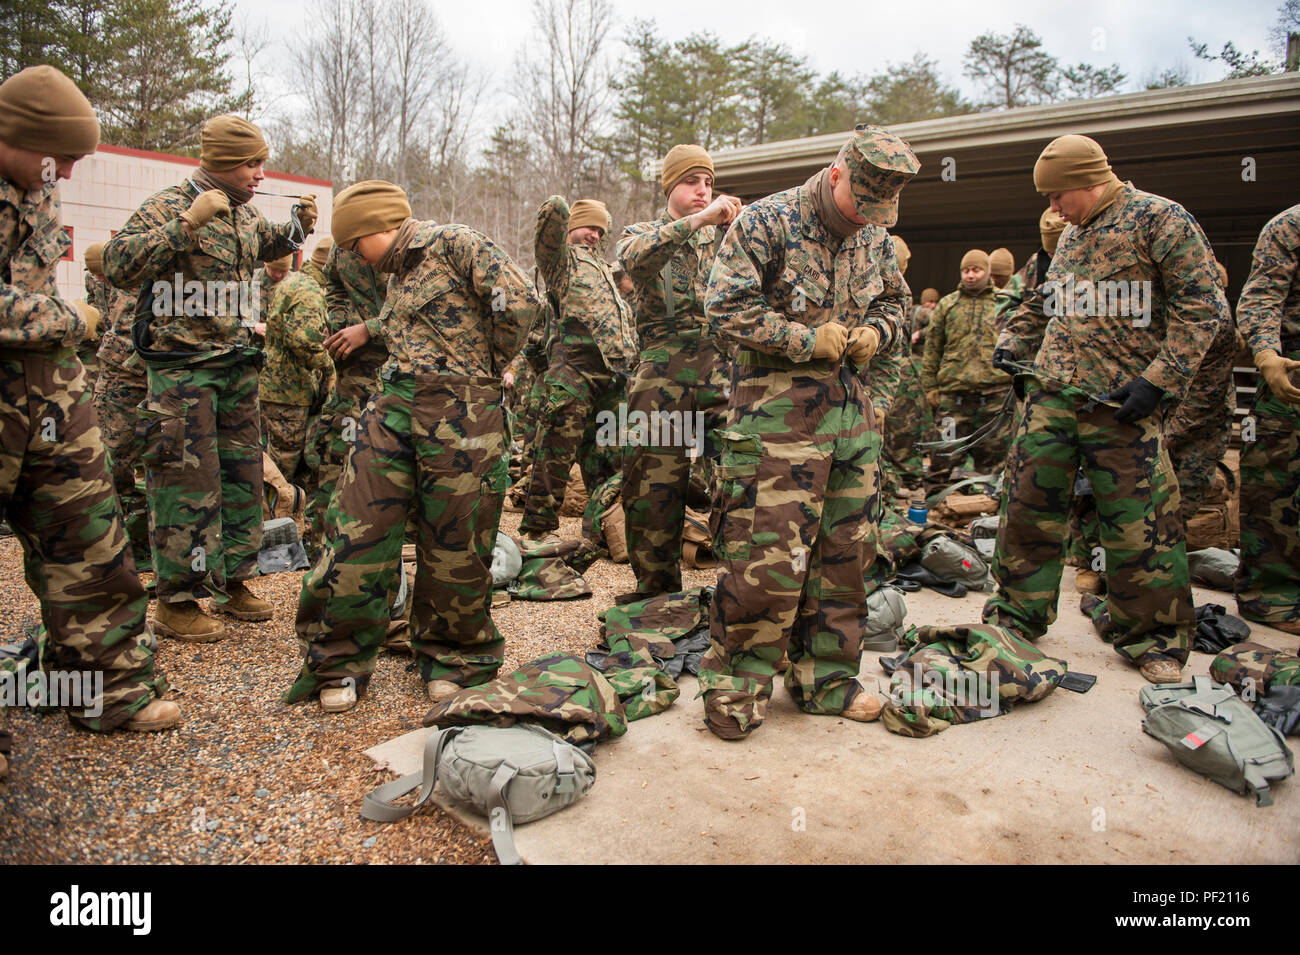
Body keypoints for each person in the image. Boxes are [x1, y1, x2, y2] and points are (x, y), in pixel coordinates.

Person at [285, 181, 541, 713]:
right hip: (394, 399)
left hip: (463, 409)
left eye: (356, 242)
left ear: (378, 226)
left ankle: (453, 657)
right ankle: (339, 659)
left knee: (456, 538)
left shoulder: (454, 243)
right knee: (356, 528)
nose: (354, 255)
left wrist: (488, 367)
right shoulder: (394, 270)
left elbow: (519, 304)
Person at [698, 123, 917, 740]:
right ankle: (739, 686)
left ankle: (828, 679)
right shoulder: (766, 222)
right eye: (859, 205)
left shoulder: (873, 234)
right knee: (765, 555)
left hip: (849, 418)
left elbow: (895, 303)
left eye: (879, 213)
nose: (865, 220)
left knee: (845, 556)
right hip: (774, 417)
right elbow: (724, 307)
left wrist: (880, 332)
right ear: (837, 173)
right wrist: (802, 339)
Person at [985, 134, 1226, 683]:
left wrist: (1159, 380)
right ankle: (1015, 619)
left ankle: (1154, 640)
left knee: (1140, 526)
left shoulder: (1160, 220)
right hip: (1052, 393)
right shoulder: (1069, 235)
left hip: (1119, 404)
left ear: (1087, 182)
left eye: (1056, 196)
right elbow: (1042, 302)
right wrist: (1014, 343)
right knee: (1026, 508)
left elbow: (1203, 306)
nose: (1051, 208)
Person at [0, 66, 179, 775]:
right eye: (60, 156)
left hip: (49, 398)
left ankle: (108, 689)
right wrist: (71, 316)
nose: (69, 171)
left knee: (91, 542)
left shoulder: (36, 191)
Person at [104, 114, 316, 641]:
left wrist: (297, 226)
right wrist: (187, 226)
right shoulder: (172, 206)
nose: (260, 174)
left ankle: (233, 580)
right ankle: (177, 598)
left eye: (263, 162)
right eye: (251, 163)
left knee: (241, 481)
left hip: (235, 367)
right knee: (184, 484)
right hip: (181, 372)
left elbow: (270, 243)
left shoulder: (245, 216)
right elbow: (117, 263)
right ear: (221, 162)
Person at [616, 144, 738, 598]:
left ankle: (745, 588)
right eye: (692, 181)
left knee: (743, 469)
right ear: (670, 186)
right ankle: (656, 590)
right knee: (652, 481)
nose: (703, 191)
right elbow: (633, 261)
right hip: (661, 367)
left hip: (721, 364)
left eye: (708, 182)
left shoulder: (732, 235)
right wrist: (700, 221)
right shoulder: (644, 232)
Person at [518, 195, 638, 543]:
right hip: (573, 370)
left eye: (601, 230)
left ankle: (603, 530)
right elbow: (549, 224)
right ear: (571, 227)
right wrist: (562, 209)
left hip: (611, 376)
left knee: (610, 460)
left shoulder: (604, 269)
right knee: (554, 454)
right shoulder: (561, 261)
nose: (595, 235)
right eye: (589, 227)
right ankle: (537, 532)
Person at [1235, 203, 1300, 635]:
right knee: (1276, 490)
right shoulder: (1290, 225)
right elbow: (1261, 297)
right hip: (1291, 375)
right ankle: (1272, 597)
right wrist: (1266, 354)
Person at [922, 249, 1011, 482]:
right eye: (966, 270)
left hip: (994, 398)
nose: (970, 275)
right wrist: (930, 387)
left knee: (993, 462)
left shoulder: (1005, 303)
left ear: (987, 272)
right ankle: (938, 506)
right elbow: (932, 348)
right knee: (944, 455)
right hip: (954, 399)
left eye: (976, 270)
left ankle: (985, 512)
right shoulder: (947, 305)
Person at [258, 253, 334, 513]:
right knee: (281, 467)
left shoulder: (292, 283)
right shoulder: (310, 292)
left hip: (276, 388)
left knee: (275, 457)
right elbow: (302, 341)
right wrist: (328, 365)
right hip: (288, 392)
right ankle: (273, 525)